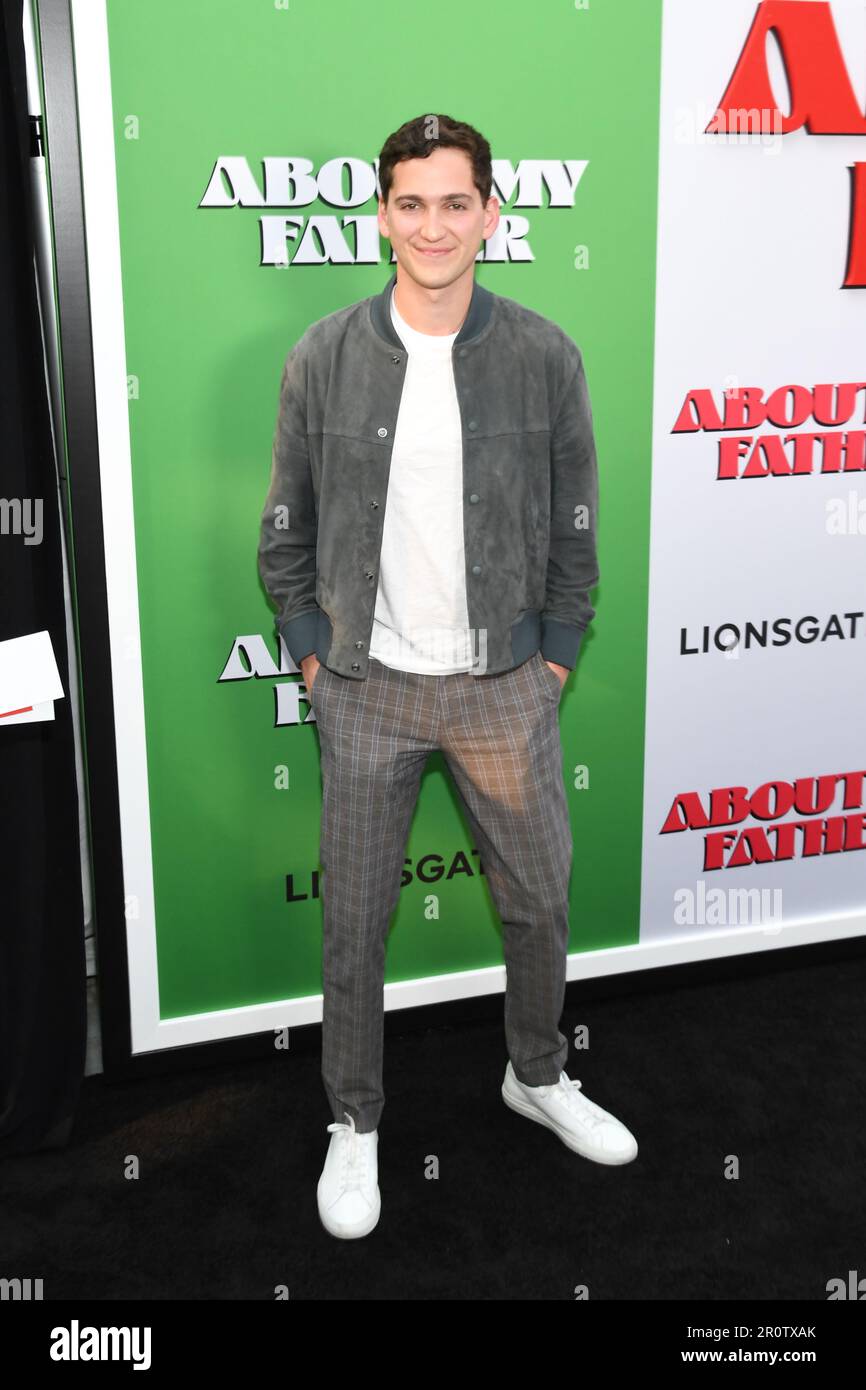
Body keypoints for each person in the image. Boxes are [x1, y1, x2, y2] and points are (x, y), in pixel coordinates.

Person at [258, 113, 637, 1241]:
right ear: (381, 215)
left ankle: (535, 1072)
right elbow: (286, 520)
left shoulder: (542, 352)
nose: (432, 224)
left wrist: (555, 650)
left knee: (539, 899)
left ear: (489, 213)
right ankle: (355, 1122)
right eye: (410, 202)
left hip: (503, 685)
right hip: (364, 686)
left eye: (454, 201)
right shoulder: (322, 354)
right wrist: (310, 647)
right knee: (356, 923)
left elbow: (576, 521)